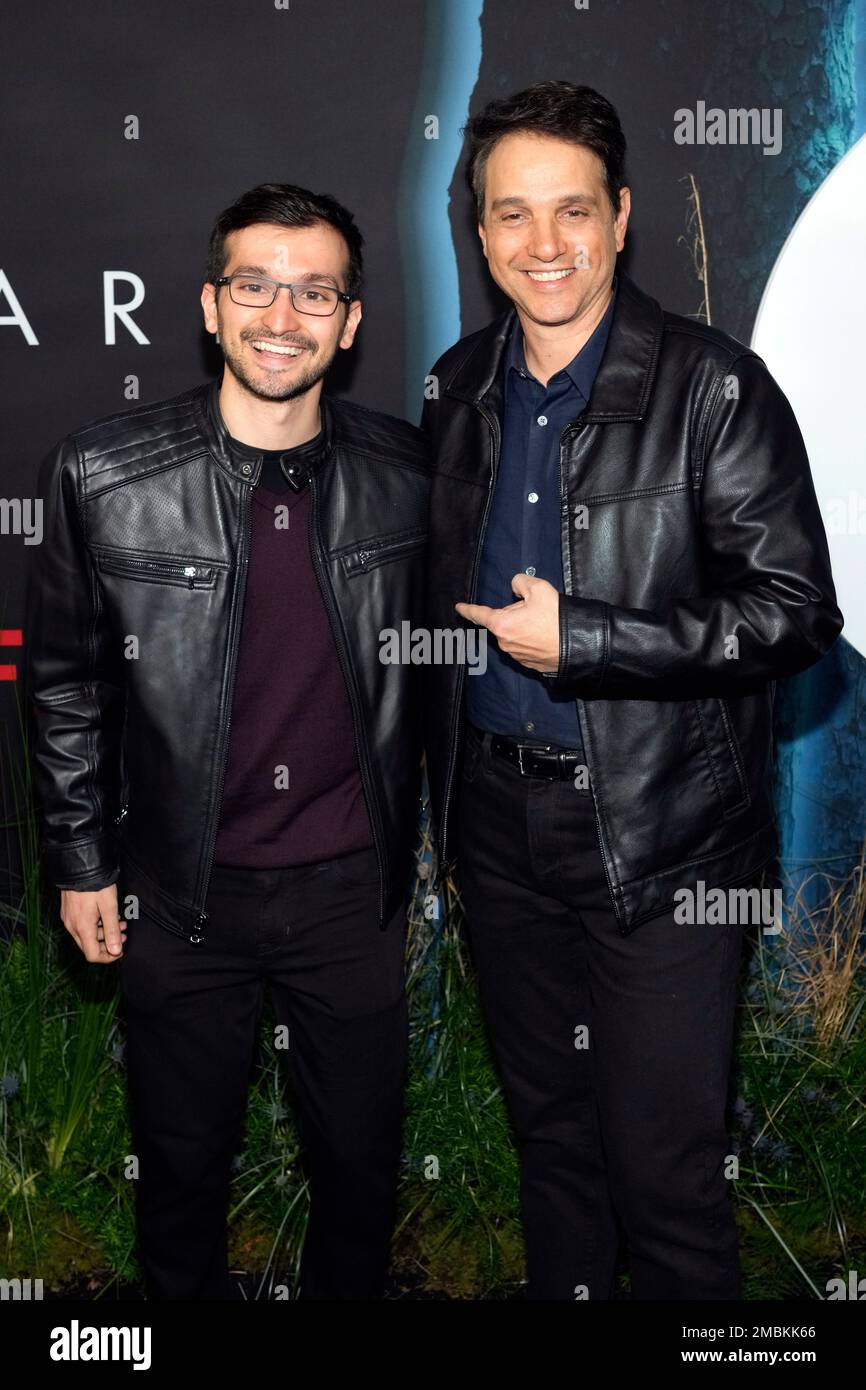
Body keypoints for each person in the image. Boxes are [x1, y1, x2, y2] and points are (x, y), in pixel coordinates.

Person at [420, 82, 843, 1300]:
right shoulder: (457, 390)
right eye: (511, 214)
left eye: (570, 212)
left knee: (663, 1179)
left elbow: (793, 611)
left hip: (666, 846)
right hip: (499, 838)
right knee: (552, 1154)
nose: (541, 245)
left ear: (618, 217)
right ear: (482, 230)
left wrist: (590, 639)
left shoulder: (715, 389)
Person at [26, 182, 429, 1299]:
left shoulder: (408, 477)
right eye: (254, 284)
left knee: (359, 1181)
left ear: (349, 322)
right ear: (210, 304)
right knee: (180, 1182)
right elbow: (62, 684)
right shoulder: (104, 476)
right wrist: (79, 863)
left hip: (351, 894)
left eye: (313, 292)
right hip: (178, 894)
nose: (280, 315)